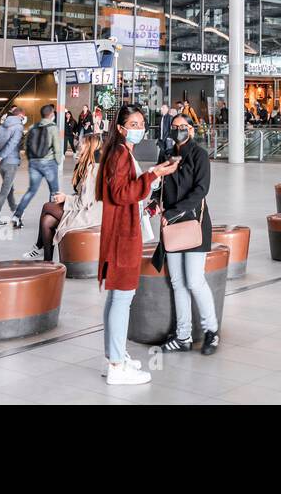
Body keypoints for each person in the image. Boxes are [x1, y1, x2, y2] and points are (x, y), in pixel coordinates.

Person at [97, 105, 179, 385]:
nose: (138, 128)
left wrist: (151, 185)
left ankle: (115, 356)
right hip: (123, 236)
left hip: (122, 229)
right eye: (132, 123)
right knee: (122, 299)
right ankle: (117, 367)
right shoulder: (120, 154)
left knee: (116, 299)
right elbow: (122, 194)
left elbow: (124, 193)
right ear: (120, 128)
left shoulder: (119, 152)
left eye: (141, 122)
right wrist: (153, 174)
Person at [149, 111, 220, 355]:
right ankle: (183, 336)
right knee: (178, 283)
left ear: (191, 129)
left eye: (183, 126)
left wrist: (173, 213)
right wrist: (154, 203)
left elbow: (201, 190)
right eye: (175, 126)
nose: (178, 130)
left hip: (192, 224)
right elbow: (160, 185)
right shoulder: (167, 155)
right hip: (171, 227)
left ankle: (211, 331)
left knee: (195, 281)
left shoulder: (199, 155)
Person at [24, 133, 100, 261]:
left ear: (89, 146)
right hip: (84, 208)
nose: (79, 144)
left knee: (47, 206)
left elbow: (84, 201)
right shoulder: (85, 165)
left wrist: (65, 198)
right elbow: (82, 195)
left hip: (90, 213)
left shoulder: (93, 169)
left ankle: (39, 246)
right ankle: (47, 261)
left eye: (82, 142)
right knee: (47, 220)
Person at [14, 103, 60, 227]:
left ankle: (17, 215)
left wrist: (31, 159)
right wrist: (58, 162)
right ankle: (52, 218)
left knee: (31, 191)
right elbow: (57, 148)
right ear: (51, 114)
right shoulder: (53, 127)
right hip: (49, 162)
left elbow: (25, 145)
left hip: (34, 162)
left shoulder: (33, 127)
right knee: (54, 192)